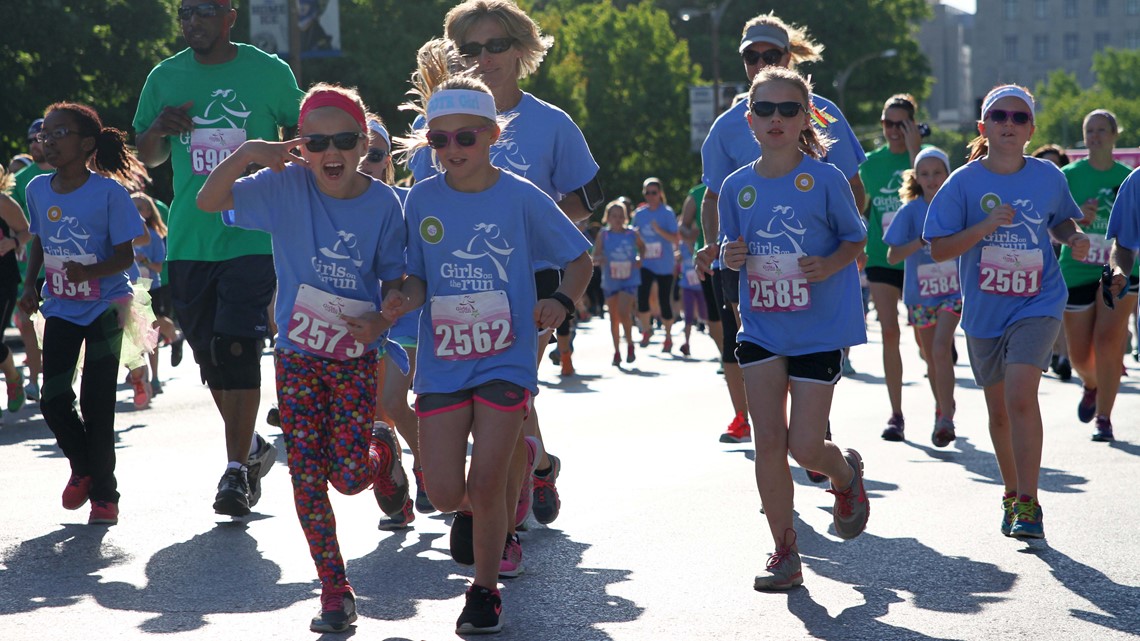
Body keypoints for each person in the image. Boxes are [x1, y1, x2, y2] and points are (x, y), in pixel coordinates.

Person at [197, 84, 409, 633]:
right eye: (316, 142)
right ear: (300, 146)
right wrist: (246, 153)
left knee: (348, 477)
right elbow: (209, 201)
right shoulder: (282, 185)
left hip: (356, 356)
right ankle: (334, 588)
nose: (330, 153)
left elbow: (401, 282)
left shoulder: (385, 204)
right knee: (308, 479)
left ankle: (380, 455)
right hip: (296, 354)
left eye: (343, 140)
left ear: (364, 144)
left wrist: (385, 318)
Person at [388, 76, 592, 634]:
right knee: (444, 491)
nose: (452, 151)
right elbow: (417, 278)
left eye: (466, 139)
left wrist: (558, 299)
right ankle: (526, 462)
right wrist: (402, 296)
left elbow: (580, 260)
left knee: (484, 485)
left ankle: (484, 592)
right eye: (440, 141)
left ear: (493, 135)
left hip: (507, 356)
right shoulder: (422, 199)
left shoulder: (523, 196)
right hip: (445, 359)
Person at [408, 1, 604, 548]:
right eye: (470, 49)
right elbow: (423, 205)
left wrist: (537, 229)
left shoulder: (550, 122)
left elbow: (589, 196)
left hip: (532, 283)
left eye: (497, 45)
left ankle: (503, 521)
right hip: (455, 291)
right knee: (507, 401)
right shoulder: (442, 121)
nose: (485, 58)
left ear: (521, 50)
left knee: (511, 396)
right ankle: (530, 474)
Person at [134, 0, 303, 516]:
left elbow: (305, 137)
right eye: (185, 13)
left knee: (237, 347)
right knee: (211, 358)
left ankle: (234, 472)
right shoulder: (165, 76)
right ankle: (250, 449)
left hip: (252, 236)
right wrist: (159, 130)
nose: (192, 22)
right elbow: (148, 155)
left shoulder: (268, 72)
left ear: (231, 15)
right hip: (189, 239)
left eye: (204, 11)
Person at [718, 67, 869, 591]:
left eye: (788, 109)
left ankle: (845, 474)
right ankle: (785, 551)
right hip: (760, 325)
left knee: (805, 447)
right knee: (767, 442)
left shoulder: (824, 178)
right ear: (749, 118)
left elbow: (855, 240)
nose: (776, 119)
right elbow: (727, 251)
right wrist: (726, 255)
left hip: (817, 329)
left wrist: (829, 266)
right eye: (765, 110)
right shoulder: (736, 188)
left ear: (805, 117)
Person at [923, 85, 1089, 540]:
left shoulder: (1048, 177)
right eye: (999, 116)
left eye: (1019, 118)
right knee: (998, 412)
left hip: (1038, 299)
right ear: (984, 127)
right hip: (985, 310)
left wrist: (1071, 238)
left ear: (1031, 129)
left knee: (1020, 395)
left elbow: (1060, 219)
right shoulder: (963, 182)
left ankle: (1030, 503)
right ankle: (1012, 494)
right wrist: (985, 226)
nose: (1009, 124)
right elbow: (938, 247)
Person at [696, 12, 866, 445]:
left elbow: (852, 187)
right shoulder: (728, 124)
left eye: (770, 54)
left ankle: (812, 431)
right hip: (753, 270)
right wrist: (714, 246)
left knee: (806, 367)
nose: (759, 62)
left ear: (789, 57)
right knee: (756, 352)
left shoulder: (820, 113)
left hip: (815, 273)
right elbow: (714, 197)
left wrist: (839, 249)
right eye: (750, 56)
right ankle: (772, 454)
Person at [19, 102, 147, 526]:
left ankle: (105, 497)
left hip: (107, 309)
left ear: (86, 143)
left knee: (97, 404)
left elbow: (126, 256)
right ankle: (84, 466)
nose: (48, 141)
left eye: (60, 134)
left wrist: (88, 272)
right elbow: (39, 239)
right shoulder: (37, 188)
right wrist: (29, 285)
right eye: (45, 134)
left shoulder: (109, 192)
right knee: (53, 399)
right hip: (59, 306)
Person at [362, 114, 434, 530]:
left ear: (388, 160)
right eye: (361, 152)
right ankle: (397, 493)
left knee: (390, 403)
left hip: (405, 321)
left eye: (376, 155)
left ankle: (426, 471)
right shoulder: (334, 205)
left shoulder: (409, 201)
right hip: (357, 325)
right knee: (375, 415)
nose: (366, 163)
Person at [1058, 110, 1135, 442]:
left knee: (1108, 340)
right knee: (1079, 355)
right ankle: (1091, 384)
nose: (1095, 136)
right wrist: (1079, 221)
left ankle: (1104, 418)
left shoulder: (1128, 176)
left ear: (1114, 135)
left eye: (1102, 130)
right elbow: (1053, 220)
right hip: (1076, 267)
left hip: (1120, 267)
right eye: (1089, 130)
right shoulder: (1068, 175)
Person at [883, 148, 961, 446]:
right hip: (921, 295)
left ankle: (946, 419)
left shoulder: (957, 205)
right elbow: (892, 256)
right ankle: (943, 405)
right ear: (916, 178)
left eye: (937, 172)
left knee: (941, 349)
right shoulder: (911, 211)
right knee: (932, 357)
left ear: (947, 173)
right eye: (924, 174)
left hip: (952, 292)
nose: (931, 179)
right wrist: (920, 240)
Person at [860, 94, 925, 440]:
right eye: (888, 123)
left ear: (912, 125)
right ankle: (896, 414)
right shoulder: (869, 164)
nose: (893, 130)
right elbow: (861, 211)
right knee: (889, 332)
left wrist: (915, 153)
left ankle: (942, 404)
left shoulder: (926, 160)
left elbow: (931, 196)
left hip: (921, 258)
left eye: (901, 124)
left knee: (926, 338)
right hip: (882, 257)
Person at [12, 119, 52, 403]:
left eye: (40, 139)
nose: (35, 145)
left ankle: (59, 380)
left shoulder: (68, 173)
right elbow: (14, 222)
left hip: (63, 265)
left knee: (56, 327)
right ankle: (35, 380)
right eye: (31, 141)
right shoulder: (20, 180)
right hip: (28, 266)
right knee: (27, 324)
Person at [1032, 143, 1074, 380]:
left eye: (1057, 165)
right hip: (1036, 259)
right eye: (1046, 164)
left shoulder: (1067, 189)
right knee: (1051, 308)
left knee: (1062, 307)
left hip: (1064, 256)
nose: (1053, 169)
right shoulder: (1030, 190)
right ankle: (1057, 353)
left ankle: (1064, 356)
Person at [130, 193, 176, 396]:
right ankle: (140, 375)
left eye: (140, 208)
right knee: (134, 334)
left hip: (149, 286)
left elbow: (158, 268)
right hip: (130, 287)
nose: (136, 212)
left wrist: (145, 261)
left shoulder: (154, 237)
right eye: (133, 208)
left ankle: (154, 376)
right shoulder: (122, 233)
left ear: (148, 212)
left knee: (150, 334)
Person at [594, 199, 644, 366]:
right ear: (607, 217)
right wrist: (601, 259)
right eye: (613, 216)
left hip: (629, 279)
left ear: (626, 217)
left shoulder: (632, 233)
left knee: (624, 312)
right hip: (610, 280)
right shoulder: (604, 234)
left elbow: (642, 248)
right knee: (614, 318)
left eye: (620, 215)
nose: (617, 219)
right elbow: (595, 256)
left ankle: (630, 344)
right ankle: (617, 351)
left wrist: (639, 259)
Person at [633, 177, 680, 352]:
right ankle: (646, 329)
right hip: (646, 263)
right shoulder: (639, 214)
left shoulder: (667, 213)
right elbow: (633, 237)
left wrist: (659, 230)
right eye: (647, 193)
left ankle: (668, 337)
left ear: (660, 194)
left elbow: (675, 238)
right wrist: (637, 245)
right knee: (642, 296)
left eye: (654, 192)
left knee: (664, 300)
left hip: (665, 264)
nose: (650, 196)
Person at [0, 167, 32, 417]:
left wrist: (13, 242)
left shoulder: (3, 202)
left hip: (3, 280)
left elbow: (28, 229)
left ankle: (12, 377)